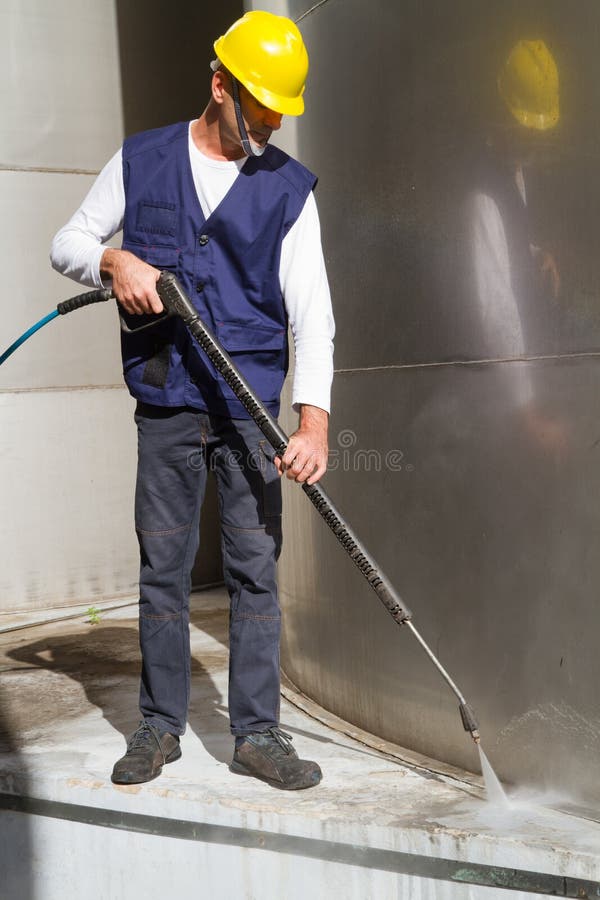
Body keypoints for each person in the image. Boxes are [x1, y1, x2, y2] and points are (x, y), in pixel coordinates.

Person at [50, 11, 335, 791]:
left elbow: (313, 313)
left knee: (254, 570)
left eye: (280, 113)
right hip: (167, 401)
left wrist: (313, 423)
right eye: (262, 109)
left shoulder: (289, 190)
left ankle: (257, 734)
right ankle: (159, 725)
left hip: (249, 408)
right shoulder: (141, 159)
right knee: (164, 566)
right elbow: (67, 243)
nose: (271, 126)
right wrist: (115, 261)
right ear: (219, 87)